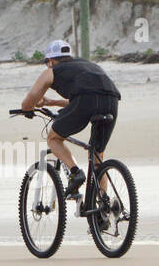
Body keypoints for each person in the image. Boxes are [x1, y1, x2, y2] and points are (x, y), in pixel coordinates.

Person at [18, 39, 121, 199]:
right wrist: (52, 102)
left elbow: (29, 100)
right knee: (98, 155)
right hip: (111, 100)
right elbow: (86, 95)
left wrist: (28, 110)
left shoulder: (52, 70)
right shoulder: (87, 65)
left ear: (50, 61)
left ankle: (75, 173)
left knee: (53, 138)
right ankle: (103, 207)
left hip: (86, 100)